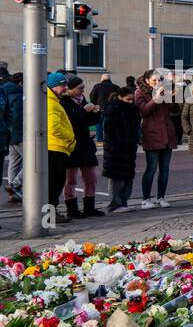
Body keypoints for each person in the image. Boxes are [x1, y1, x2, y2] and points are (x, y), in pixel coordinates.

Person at [60, 76, 102, 218]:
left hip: (85, 143)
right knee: (70, 179)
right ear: (70, 89)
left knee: (91, 177)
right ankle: (72, 209)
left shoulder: (82, 100)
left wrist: (96, 113)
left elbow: (87, 121)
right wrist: (84, 110)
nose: (83, 90)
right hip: (71, 144)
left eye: (83, 88)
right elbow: (70, 121)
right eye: (80, 88)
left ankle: (89, 207)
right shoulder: (64, 102)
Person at [136, 69, 176, 210]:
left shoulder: (164, 90)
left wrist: (170, 97)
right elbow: (144, 111)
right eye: (155, 80)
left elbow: (174, 110)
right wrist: (156, 98)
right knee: (151, 168)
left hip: (167, 134)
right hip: (152, 134)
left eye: (160, 80)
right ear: (147, 80)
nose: (158, 82)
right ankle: (146, 199)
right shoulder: (140, 93)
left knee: (165, 169)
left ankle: (161, 197)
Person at [43, 73, 75, 223]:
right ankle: (49, 215)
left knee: (55, 182)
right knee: (54, 183)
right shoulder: (51, 102)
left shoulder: (53, 100)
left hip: (57, 147)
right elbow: (53, 127)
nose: (65, 88)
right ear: (54, 85)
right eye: (63, 85)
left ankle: (50, 214)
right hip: (55, 147)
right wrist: (70, 138)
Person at [102, 82, 139, 213]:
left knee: (127, 177)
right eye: (128, 99)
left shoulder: (132, 109)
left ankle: (123, 202)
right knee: (117, 178)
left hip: (128, 148)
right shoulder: (113, 108)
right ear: (120, 97)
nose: (130, 102)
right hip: (116, 149)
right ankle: (115, 204)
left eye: (132, 99)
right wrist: (118, 143)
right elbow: (109, 129)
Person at [0, 65, 20, 203]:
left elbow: (9, 114)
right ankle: (14, 186)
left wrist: (7, 129)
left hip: (2, 140)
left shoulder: (2, 92)